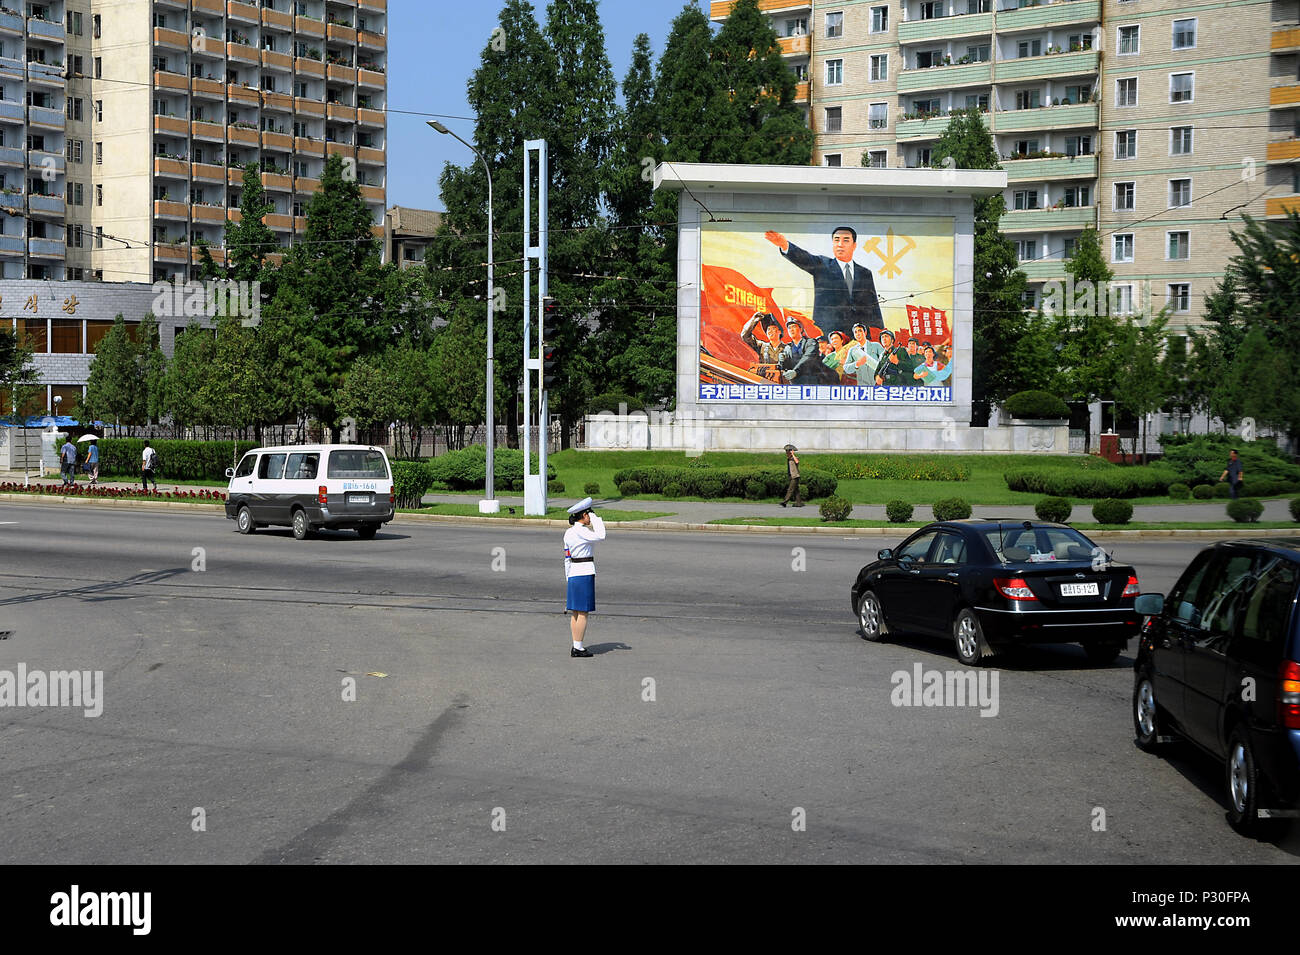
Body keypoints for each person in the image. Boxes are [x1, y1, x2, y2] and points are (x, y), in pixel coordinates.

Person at [764, 226, 885, 332]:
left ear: (854, 245)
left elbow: (874, 307)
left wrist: (879, 334)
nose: (840, 244)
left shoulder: (864, 273)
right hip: (828, 335)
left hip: (858, 336)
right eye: (836, 240)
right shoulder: (822, 265)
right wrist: (785, 245)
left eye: (845, 240)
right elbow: (804, 258)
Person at [564, 497, 606, 658]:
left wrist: (567, 576)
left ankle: (577, 645)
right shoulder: (582, 531)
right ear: (584, 515)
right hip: (584, 572)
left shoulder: (568, 533)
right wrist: (596, 518)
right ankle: (578, 648)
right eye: (588, 514)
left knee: (575, 612)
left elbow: (567, 557)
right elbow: (601, 535)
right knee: (583, 613)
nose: (590, 517)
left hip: (573, 573)